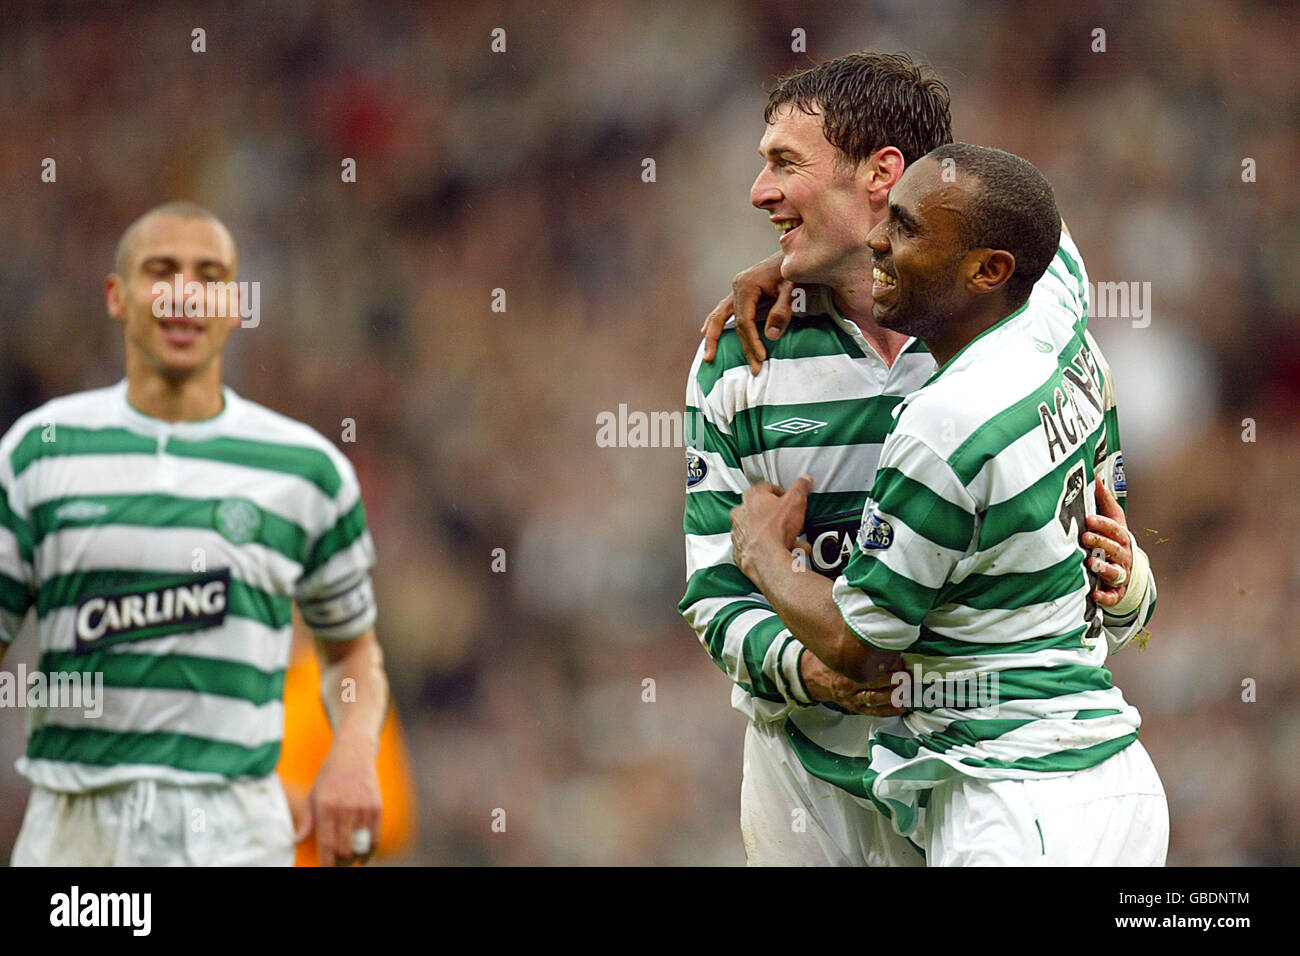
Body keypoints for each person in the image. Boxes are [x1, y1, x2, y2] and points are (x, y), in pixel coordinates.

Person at [680, 52, 1154, 866]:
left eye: (785, 164)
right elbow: (714, 592)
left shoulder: (1026, 307)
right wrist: (811, 669)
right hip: (813, 785)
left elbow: (1091, 542)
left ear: (884, 174)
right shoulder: (740, 361)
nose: (759, 192)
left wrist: (1131, 587)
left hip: (976, 774)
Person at [0, 201, 389, 866]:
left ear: (236, 304)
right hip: (77, 830)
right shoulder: (40, 451)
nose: (185, 294)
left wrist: (353, 752)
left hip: (233, 831)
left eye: (209, 276)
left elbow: (352, 654)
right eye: (162, 271)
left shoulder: (307, 472)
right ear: (117, 297)